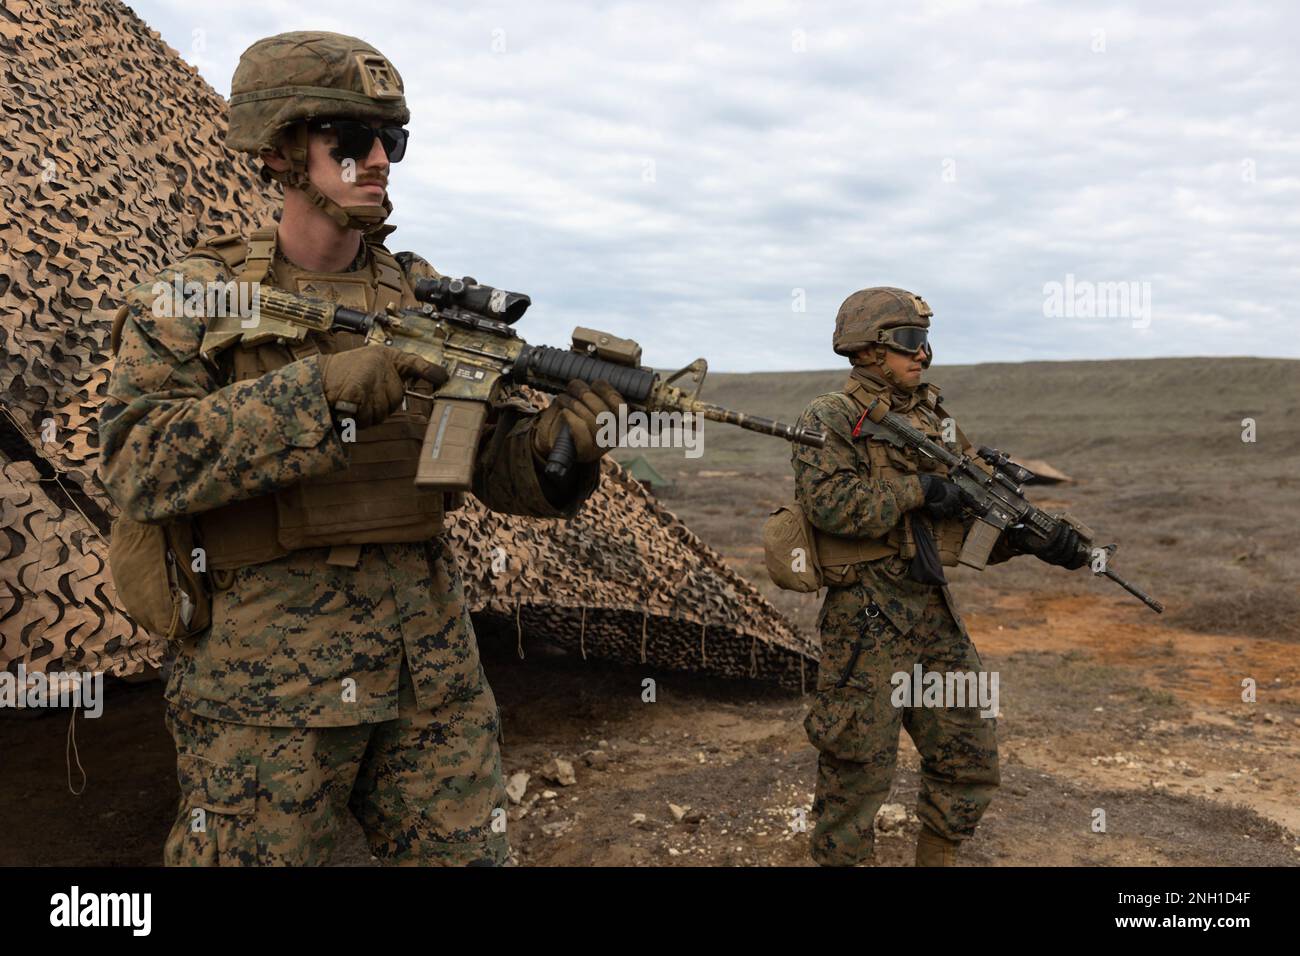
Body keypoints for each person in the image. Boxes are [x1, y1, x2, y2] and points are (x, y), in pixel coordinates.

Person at [99, 31, 624, 866]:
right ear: (278, 151)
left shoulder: (421, 295)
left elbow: (487, 461)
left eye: (393, 141)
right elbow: (138, 462)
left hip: (431, 671)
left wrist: (563, 449)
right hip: (267, 689)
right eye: (349, 140)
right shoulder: (195, 298)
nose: (378, 160)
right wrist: (326, 390)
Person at [791, 287, 1085, 866]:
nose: (922, 355)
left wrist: (1037, 540)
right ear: (871, 350)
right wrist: (921, 489)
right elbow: (828, 503)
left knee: (967, 749)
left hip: (930, 608)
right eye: (909, 341)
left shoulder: (935, 419)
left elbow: (975, 509)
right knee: (856, 767)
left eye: (926, 343)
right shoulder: (831, 416)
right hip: (866, 618)